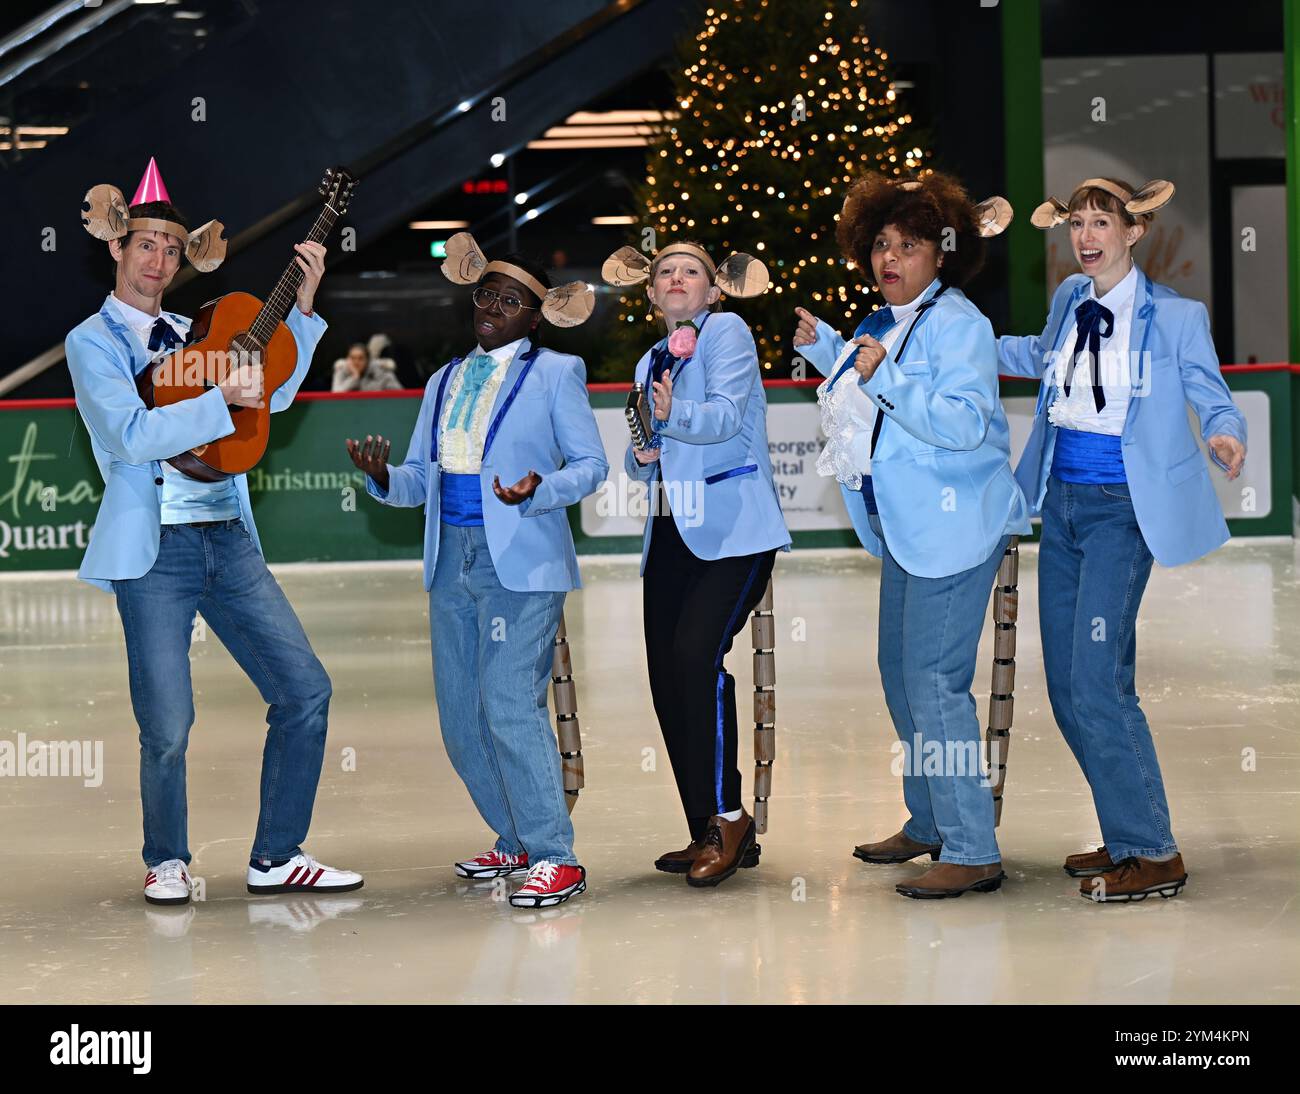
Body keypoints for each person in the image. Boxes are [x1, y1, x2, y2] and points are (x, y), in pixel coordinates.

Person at [67, 157, 362, 905]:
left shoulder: (204, 326)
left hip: (228, 537)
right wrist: (220, 401)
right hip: (154, 549)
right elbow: (131, 433)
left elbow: (277, 393)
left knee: (305, 690)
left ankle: (277, 855)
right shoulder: (93, 343)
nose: (158, 261)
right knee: (167, 723)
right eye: (145, 246)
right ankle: (166, 857)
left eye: (170, 249)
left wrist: (303, 307)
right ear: (117, 249)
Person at [998, 176, 1246, 902]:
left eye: (1100, 222)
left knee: (1098, 680)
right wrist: (956, 343)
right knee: (1073, 686)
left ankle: (1153, 852)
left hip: (1122, 510)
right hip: (1063, 506)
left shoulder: (1175, 317)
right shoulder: (1069, 302)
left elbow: (1210, 391)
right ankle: (1124, 824)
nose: (1085, 236)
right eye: (1077, 223)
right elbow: (1039, 356)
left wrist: (1226, 435)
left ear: (1133, 232)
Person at [348, 233, 607, 909]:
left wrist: (538, 490)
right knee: (461, 716)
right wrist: (383, 478)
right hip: (451, 560)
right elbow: (419, 480)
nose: (492, 306)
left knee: (507, 701)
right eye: (486, 293)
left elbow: (590, 466)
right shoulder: (441, 380)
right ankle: (513, 836)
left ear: (536, 314)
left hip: (521, 562)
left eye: (511, 299)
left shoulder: (557, 373)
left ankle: (556, 854)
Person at [793, 172, 1029, 899]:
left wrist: (884, 374)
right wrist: (833, 345)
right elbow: (866, 381)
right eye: (881, 244)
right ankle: (928, 817)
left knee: (933, 682)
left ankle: (971, 846)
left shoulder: (959, 324)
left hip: (956, 526)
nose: (890, 258)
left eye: (910, 245)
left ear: (942, 254)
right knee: (903, 675)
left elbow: (959, 422)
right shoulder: (888, 320)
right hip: (908, 529)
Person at [603, 240, 790, 888]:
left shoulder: (727, 332)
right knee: (666, 677)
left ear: (713, 292)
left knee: (694, 660)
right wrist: (643, 453)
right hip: (669, 528)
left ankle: (729, 819)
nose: (677, 279)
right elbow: (636, 454)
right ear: (651, 294)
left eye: (691, 272)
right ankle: (704, 824)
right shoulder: (648, 360)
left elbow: (728, 417)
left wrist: (670, 412)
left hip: (734, 530)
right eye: (665, 273)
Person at [331, 340, 401, 392]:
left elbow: (400, 396)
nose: (356, 362)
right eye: (352, 358)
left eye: (360, 358)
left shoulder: (382, 372)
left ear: (368, 360)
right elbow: (336, 394)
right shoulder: (341, 371)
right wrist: (355, 378)